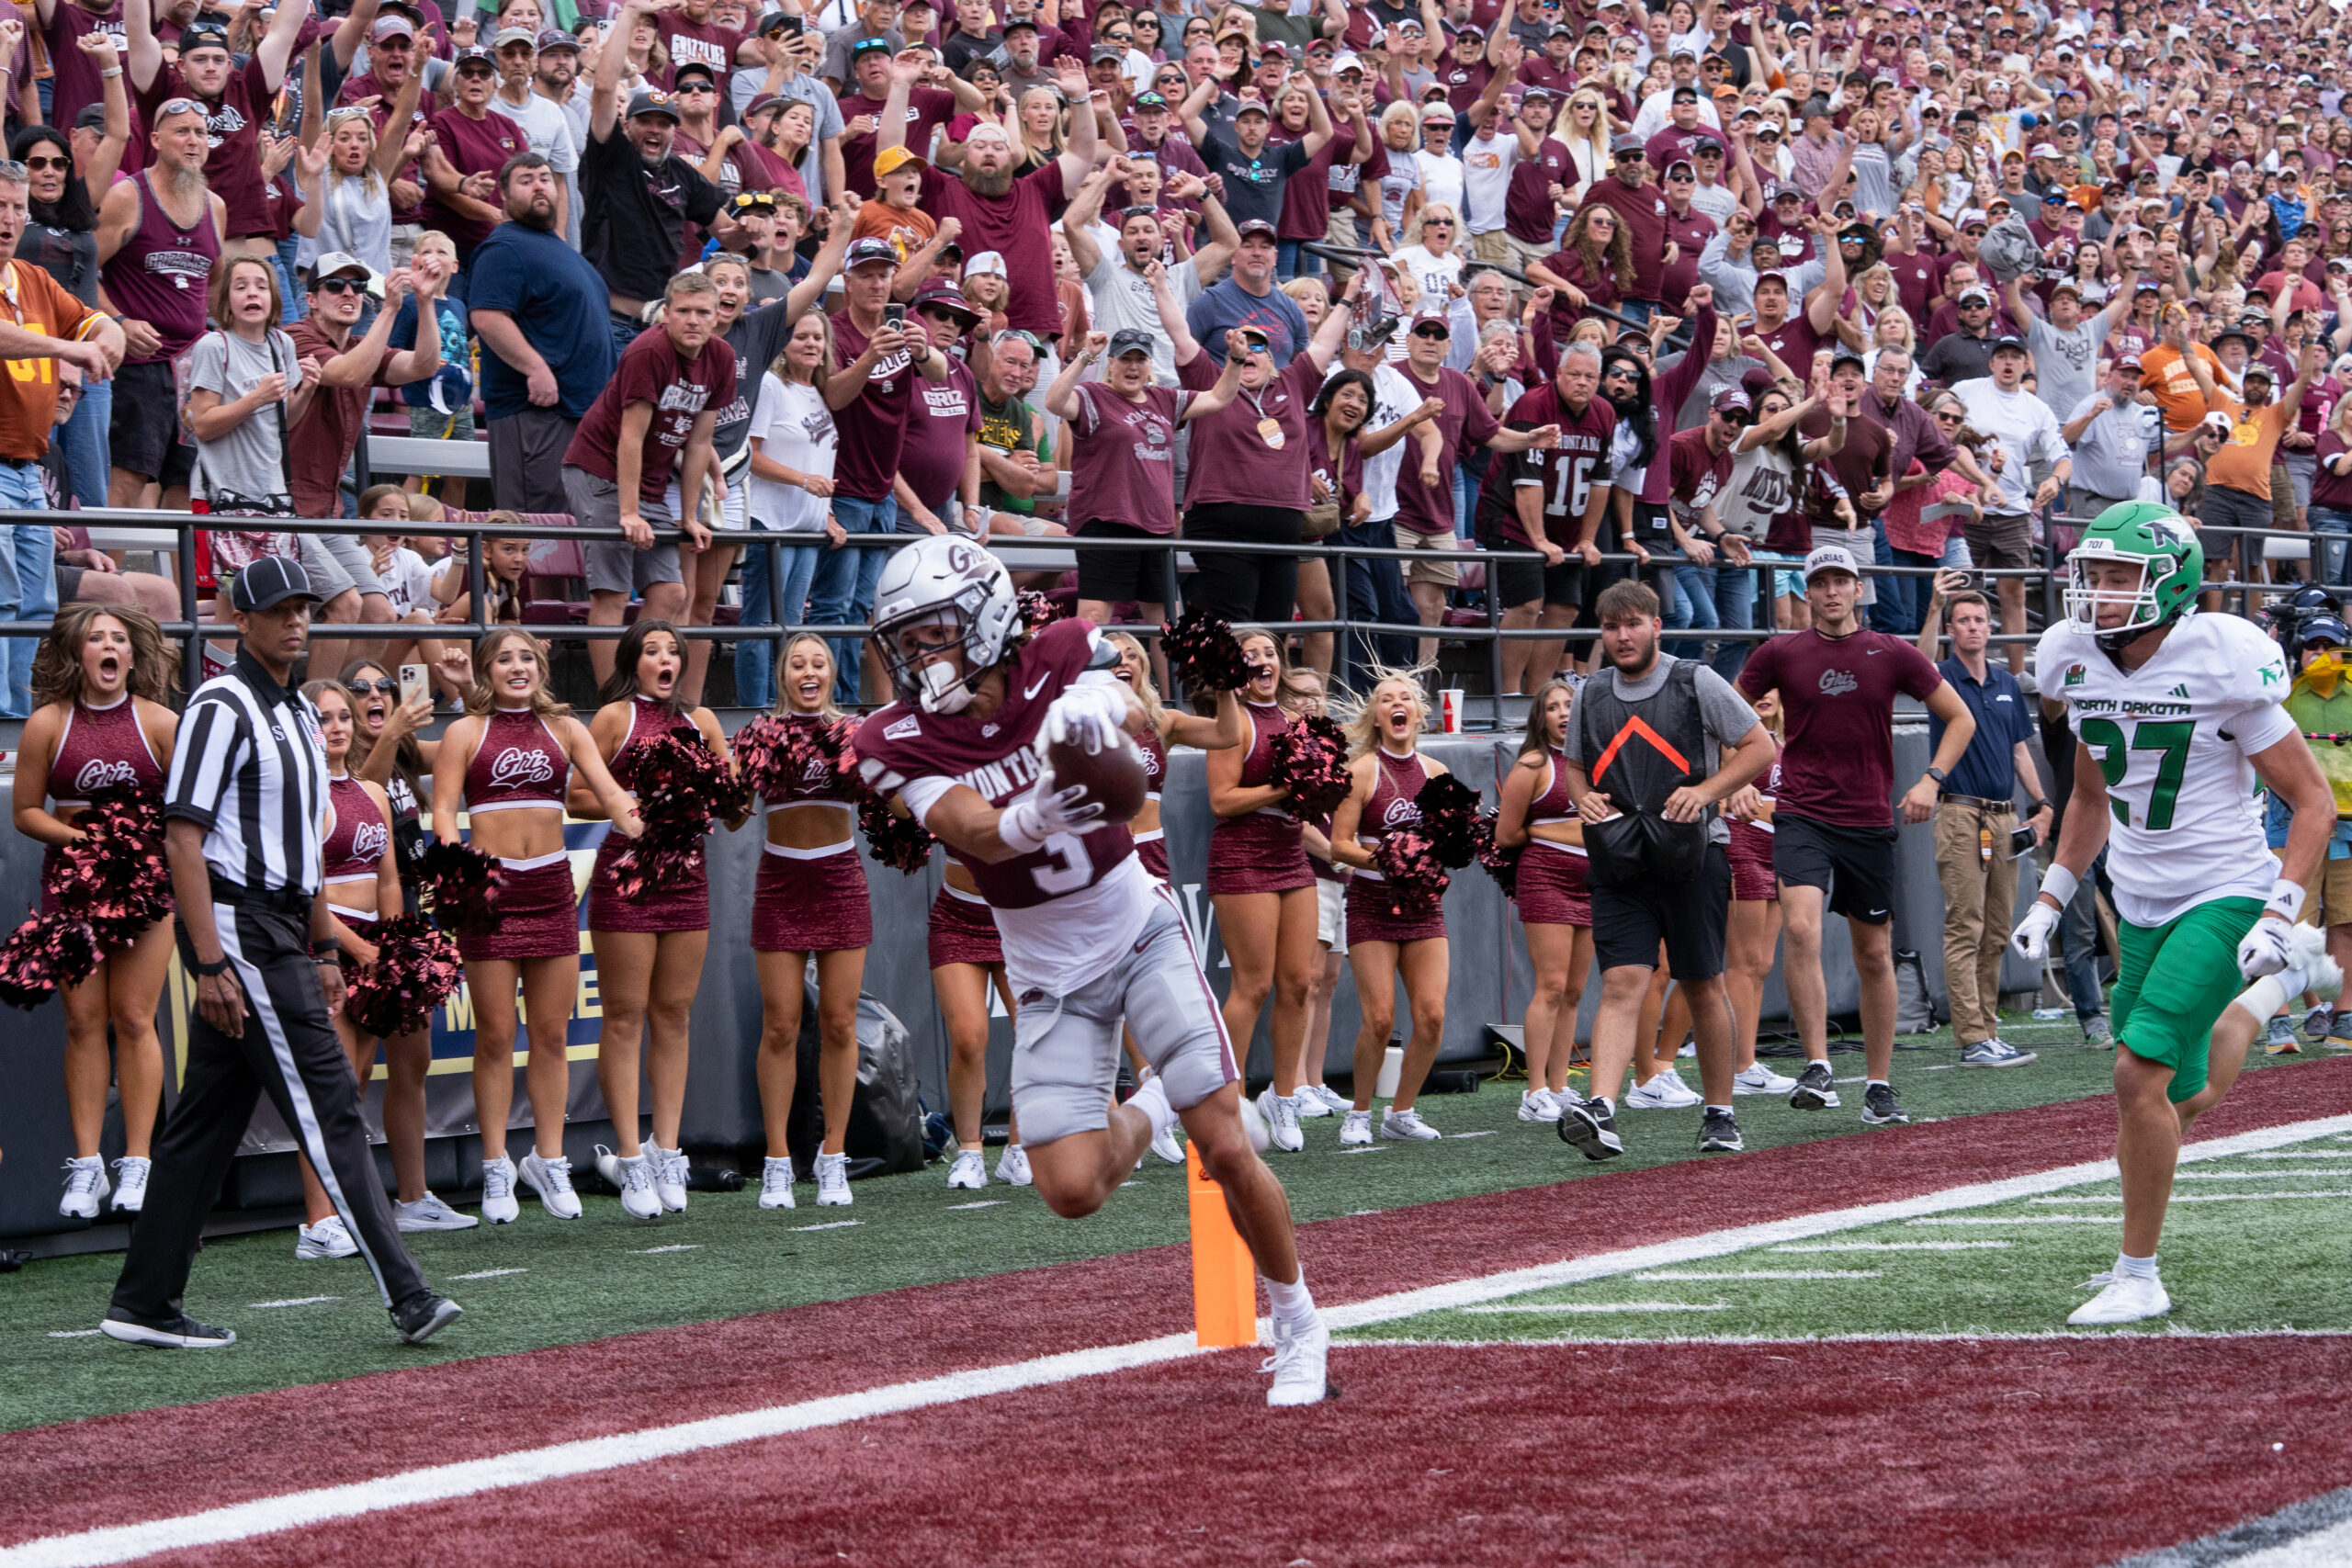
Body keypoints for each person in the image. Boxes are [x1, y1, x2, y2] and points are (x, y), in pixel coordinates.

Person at [853, 535, 1329, 1405]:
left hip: (1136, 926)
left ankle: (1297, 1320)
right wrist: (1034, 811)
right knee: (1070, 1188)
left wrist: (1110, 712)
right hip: (1046, 973)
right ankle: (1156, 1099)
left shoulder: (1061, 654)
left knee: (1222, 1142)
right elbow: (970, 828)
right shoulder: (894, 737)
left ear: (988, 618)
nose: (918, 657)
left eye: (933, 634)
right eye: (906, 641)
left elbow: (1129, 700)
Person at [102, 558, 461, 1349]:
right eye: (278, 610)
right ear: (241, 619)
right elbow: (183, 836)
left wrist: (325, 940)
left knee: (204, 1123)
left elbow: (302, 845)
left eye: (303, 607)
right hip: (241, 929)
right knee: (329, 1102)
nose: (295, 621)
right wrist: (208, 962)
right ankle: (407, 1292)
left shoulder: (299, 712)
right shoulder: (220, 703)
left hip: (284, 928)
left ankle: (144, 1300)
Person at [2013, 502, 2338, 1326]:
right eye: (2095, 574)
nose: (2100, 593)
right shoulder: (2074, 660)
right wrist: (2053, 895)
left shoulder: (2221, 655)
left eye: (2122, 577)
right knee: (2175, 1097)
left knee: (2136, 1073)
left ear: (2173, 583)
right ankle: (2272, 992)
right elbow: (2090, 795)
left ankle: (2139, 1272)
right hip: (2143, 895)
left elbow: (2310, 802)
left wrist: (2278, 908)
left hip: (2226, 888)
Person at [1735, 544, 1976, 1129]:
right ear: (1809, 591)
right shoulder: (1780, 652)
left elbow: (1960, 717)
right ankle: (1818, 1065)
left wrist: (1930, 781)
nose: (1832, 591)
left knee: (1873, 953)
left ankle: (1878, 1084)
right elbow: (1728, 712)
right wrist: (1732, 781)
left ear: (1859, 589)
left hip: (1868, 819)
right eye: (1821, 582)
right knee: (1798, 926)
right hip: (1801, 812)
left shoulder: (1891, 652)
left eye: (1843, 580)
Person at [1555, 581, 1775, 1159]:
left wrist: (1705, 792)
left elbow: (1759, 749)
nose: (1622, 636)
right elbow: (1575, 766)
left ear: (1658, 624)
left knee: (1702, 981)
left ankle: (1720, 1113)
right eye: (1610, 627)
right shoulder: (1590, 691)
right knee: (1624, 981)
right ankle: (1601, 1109)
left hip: (1693, 855)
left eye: (1632, 623)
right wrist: (1584, 799)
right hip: (1620, 857)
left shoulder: (1697, 679)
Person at [431, 627, 643, 1224]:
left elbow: (608, 792)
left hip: (551, 889)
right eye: (504, 658)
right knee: (496, 1034)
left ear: (541, 667)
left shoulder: (568, 728)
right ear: (487, 670)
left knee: (551, 1034)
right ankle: (497, 1164)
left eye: (526, 657)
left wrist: (650, 821)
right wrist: (456, 863)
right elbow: (444, 811)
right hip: (490, 893)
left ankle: (549, 1158)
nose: (517, 666)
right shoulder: (464, 732)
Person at [14, 605, 176, 1220]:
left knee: (135, 1017)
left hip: (143, 891)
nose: (108, 646)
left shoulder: (161, 722)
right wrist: (81, 842)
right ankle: (87, 1165)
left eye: (118, 638)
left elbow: (187, 810)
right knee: (83, 1020)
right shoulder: (46, 724)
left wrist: (135, 846)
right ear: (77, 655)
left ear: (133, 656)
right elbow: (26, 809)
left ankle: (137, 1159)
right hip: (73, 887)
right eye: (95, 638)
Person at [580, 620, 732, 1218]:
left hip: (688, 874)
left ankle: (667, 1149)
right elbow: (575, 793)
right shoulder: (615, 718)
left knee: (673, 1013)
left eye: (673, 650)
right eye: (652, 650)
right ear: (633, 661)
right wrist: (631, 806)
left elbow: (731, 797)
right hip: (628, 876)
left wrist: (729, 788)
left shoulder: (705, 723)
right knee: (623, 1016)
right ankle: (629, 1158)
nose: (664, 659)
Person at [341, 654, 476, 1231]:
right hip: (355, 933)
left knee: (413, 1062)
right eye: (361, 688)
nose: (376, 694)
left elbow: (473, 750)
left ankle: (413, 1198)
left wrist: (466, 688)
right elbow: (359, 791)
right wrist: (390, 733)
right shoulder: (334, 767)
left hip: (406, 927)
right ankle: (340, 1208)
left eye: (385, 687)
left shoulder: (404, 758)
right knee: (353, 1072)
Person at [560, 269, 735, 686]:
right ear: (666, 315)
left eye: (702, 313)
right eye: (684, 311)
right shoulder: (647, 351)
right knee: (612, 592)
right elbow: (630, 437)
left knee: (672, 592)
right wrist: (629, 512)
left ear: (716, 319)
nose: (693, 320)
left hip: (650, 481)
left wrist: (690, 515)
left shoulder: (722, 358)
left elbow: (698, 443)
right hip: (598, 467)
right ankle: (613, 700)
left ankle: (641, 689)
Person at [285, 678, 408, 1260]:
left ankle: (344, 1208)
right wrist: (356, 948)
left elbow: (388, 880)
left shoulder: (372, 793)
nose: (336, 727)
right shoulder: (302, 796)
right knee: (327, 1088)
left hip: (371, 949)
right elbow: (301, 890)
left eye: (341, 717)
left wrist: (395, 947)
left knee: (354, 1086)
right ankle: (316, 1221)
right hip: (326, 948)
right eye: (323, 718)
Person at [1043, 280, 1241, 629]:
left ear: (1150, 365)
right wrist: (1085, 356)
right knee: (1092, 618)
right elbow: (1054, 401)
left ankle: (1170, 688)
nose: (1132, 366)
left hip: (1158, 526)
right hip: (1106, 522)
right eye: (1125, 359)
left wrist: (1236, 360)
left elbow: (1218, 399)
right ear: (1112, 363)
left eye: (1140, 359)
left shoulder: (1164, 399)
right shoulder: (1093, 395)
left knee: (1169, 623)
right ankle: (1085, 683)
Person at [1915, 581, 2052, 1067]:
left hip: (2005, 815)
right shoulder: (1941, 677)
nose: (1972, 627)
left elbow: (2020, 749)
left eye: (1978, 621)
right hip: (1959, 810)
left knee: (1996, 930)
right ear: (1952, 631)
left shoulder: (2007, 683)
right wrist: (1933, 607)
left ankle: (1988, 1031)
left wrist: (2042, 803)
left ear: (1990, 629)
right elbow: (1919, 662)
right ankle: (1972, 1036)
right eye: (1963, 621)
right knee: (1965, 925)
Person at [812, 236, 954, 703]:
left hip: (882, 491)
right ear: (847, 281)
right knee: (833, 609)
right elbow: (832, 397)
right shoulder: (835, 331)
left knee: (866, 608)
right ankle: (831, 707)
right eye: (867, 274)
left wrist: (923, 351)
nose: (877, 283)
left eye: (884, 274)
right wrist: (871, 356)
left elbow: (938, 375)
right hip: (844, 488)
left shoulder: (908, 321)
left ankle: (850, 707)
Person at [1183, 268, 1360, 625]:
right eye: (1242, 345)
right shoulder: (1211, 381)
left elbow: (1323, 343)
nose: (1250, 351)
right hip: (1224, 527)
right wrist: (1158, 288)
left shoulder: (1292, 382)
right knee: (1237, 628)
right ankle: (1213, 674)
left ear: (1273, 358)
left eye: (1259, 346)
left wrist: (1349, 297)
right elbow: (1180, 336)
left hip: (1282, 531)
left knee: (1274, 631)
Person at [1326, 670, 1455, 1145]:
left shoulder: (1437, 773)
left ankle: (1401, 1112)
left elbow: (1450, 843)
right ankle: (1359, 1112)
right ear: (1377, 717)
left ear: (1418, 714)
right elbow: (1339, 844)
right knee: (1379, 1018)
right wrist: (1388, 857)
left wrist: (1440, 854)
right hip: (1371, 902)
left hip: (1423, 907)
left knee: (1432, 1016)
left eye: (1405, 698)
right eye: (1386, 700)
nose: (1396, 705)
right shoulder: (1361, 771)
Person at [1205, 628, 1321, 1150]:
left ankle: (1285, 1095)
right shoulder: (1231, 721)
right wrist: (1284, 787)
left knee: (1299, 983)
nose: (1262, 661)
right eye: (1249, 655)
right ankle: (1228, 1100)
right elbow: (1222, 800)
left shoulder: (1297, 723)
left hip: (1290, 851)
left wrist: (1321, 785)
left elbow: (1312, 798)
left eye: (1270, 652)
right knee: (1252, 985)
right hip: (1243, 857)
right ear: (1236, 669)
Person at [471, 153, 620, 517]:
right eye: (526, 180)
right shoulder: (505, 247)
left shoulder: (564, 252)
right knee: (537, 535)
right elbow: (487, 316)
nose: (539, 185)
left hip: (581, 415)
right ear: (503, 195)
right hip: (537, 414)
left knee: (573, 534)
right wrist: (535, 368)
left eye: (544, 178)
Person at [96, 96, 223, 513]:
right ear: (155, 139)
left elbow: (215, 282)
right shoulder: (127, 196)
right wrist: (118, 321)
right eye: (182, 132)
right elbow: (80, 275)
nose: (193, 142)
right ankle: (111, 575)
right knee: (127, 479)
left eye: (200, 133)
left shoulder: (215, 207)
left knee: (187, 486)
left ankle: (179, 581)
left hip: (195, 369)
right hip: (139, 367)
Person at [585, 3, 729, 363]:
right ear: (627, 125)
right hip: (612, 321)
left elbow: (727, 232)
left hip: (663, 327)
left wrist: (750, 228)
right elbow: (604, 87)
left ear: (672, 131)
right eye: (645, 121)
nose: (655, 129)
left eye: (663, 123)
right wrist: (632, 11)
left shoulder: (681, 173)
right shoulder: (612, 157)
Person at [1491, 675, 1593, 1122]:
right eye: (1552, 707)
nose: (1563, 713)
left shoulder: (1596, 761)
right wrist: (1540, 831)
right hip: (1546, 878)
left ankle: (1560, 1084)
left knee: (1573, 990)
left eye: (1569, 704)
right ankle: (1533, 1092)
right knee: (1550, 986)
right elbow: (1505, 834)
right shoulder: (1533, 765)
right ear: (1541, 718)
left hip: (1592, 883)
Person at [1949, 335, 2072, 676]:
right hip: (1969, 504)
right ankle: (1960, 672)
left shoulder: (2037, 409)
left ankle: (2017, 675)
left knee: (2013, 593)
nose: (2007, 363)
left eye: (2014, 357)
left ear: (2024, 365)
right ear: (1991, 363)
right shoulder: (1966, 390)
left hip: (2014, 510)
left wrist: (2054, 480)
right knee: (1962, 590)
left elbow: (2062, 457)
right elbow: (1935, 420)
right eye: (2001, 356)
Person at [741, 310, 843, 709]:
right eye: (801, 336)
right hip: (771, 523)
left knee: (793, 632)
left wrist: (829, 514)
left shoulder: (818, 392)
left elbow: (820, 460)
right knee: (760, 626)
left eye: (818, 337)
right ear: (784, 342)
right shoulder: (770, 385)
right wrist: (803, 480)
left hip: (808, 528)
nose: (811, 344)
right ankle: (754, 711)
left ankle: (784, 711)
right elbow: (751, 455)